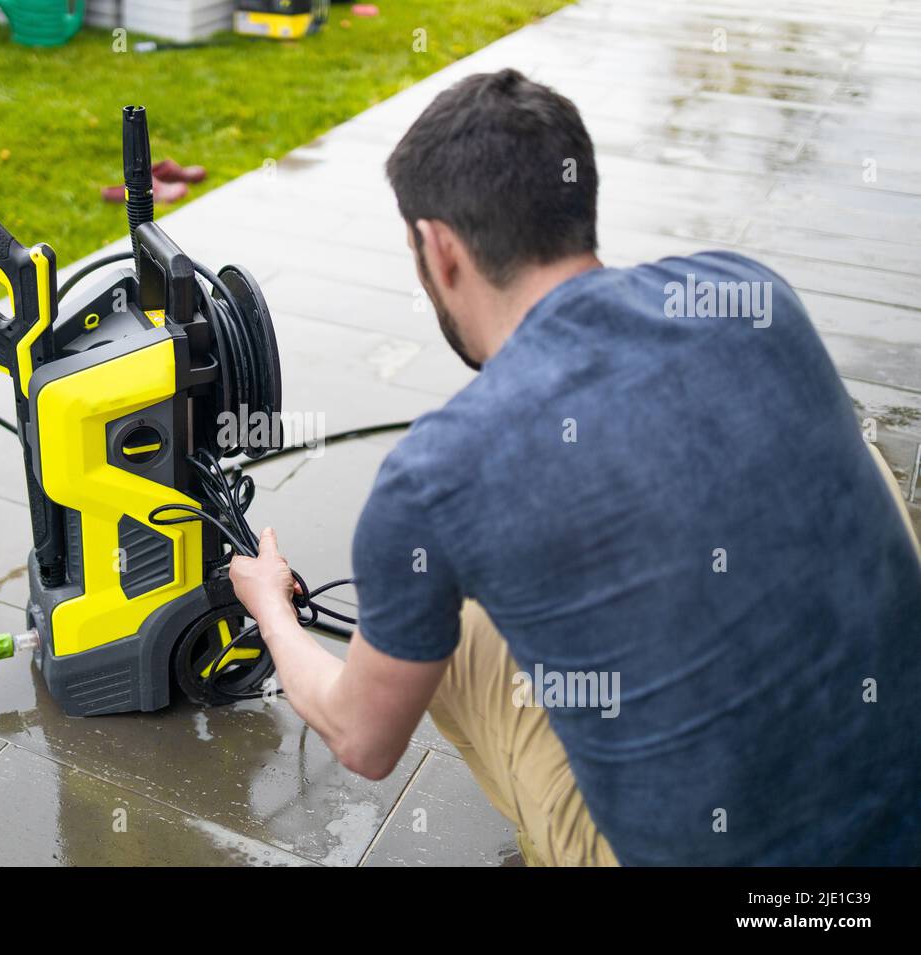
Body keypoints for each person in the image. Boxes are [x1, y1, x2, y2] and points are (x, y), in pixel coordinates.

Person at [228, 68, 921, 866]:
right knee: (848, 448)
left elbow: (363, 741)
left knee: (444, 634)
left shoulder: (435, 476)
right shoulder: (749, 290)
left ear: (439, 249)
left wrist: (270, 606)